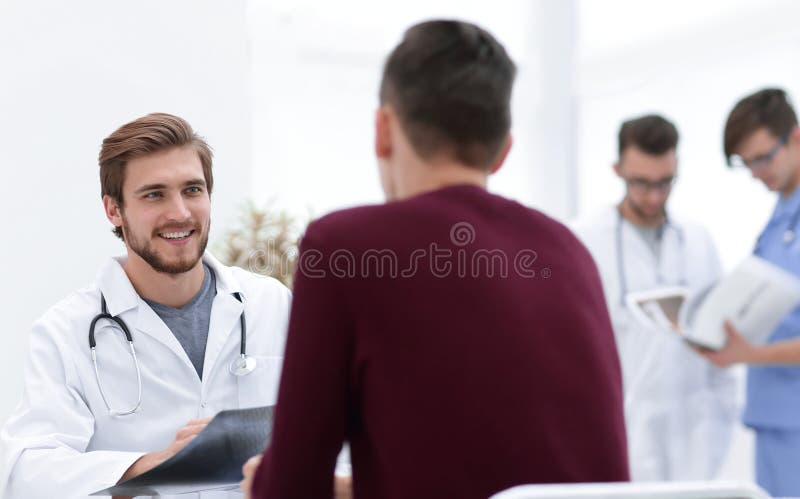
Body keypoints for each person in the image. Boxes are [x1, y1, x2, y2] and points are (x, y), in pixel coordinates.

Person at [242, 20, 629, 499]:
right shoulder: (569, 252)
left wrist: (263, 482)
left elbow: (294, 486)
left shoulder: (345, 246)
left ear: (383, 130)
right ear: (503, 148)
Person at [0, 113, 292, 499]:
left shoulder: (271, 305)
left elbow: (328, 431)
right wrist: (152, 464)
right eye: (154, 194)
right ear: (113, 210)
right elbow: (25, 471)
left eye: (192, 190)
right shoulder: (64, 331)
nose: (180, 213)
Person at [572, 115, 737, 481]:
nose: (653, 196)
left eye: (665, 183)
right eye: (641, 183)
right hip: (622, 423)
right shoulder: (584, 239)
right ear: (617, 170)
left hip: (693, 427)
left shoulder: (697, 240)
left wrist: (722, 412)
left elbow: (717, 332)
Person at [700, 88, 800, 497]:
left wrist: (747, 354)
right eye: (746, 163)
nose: (757, 172)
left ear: (796, 137)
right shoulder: (780, 217)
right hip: (775, 416)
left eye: (763, 158)